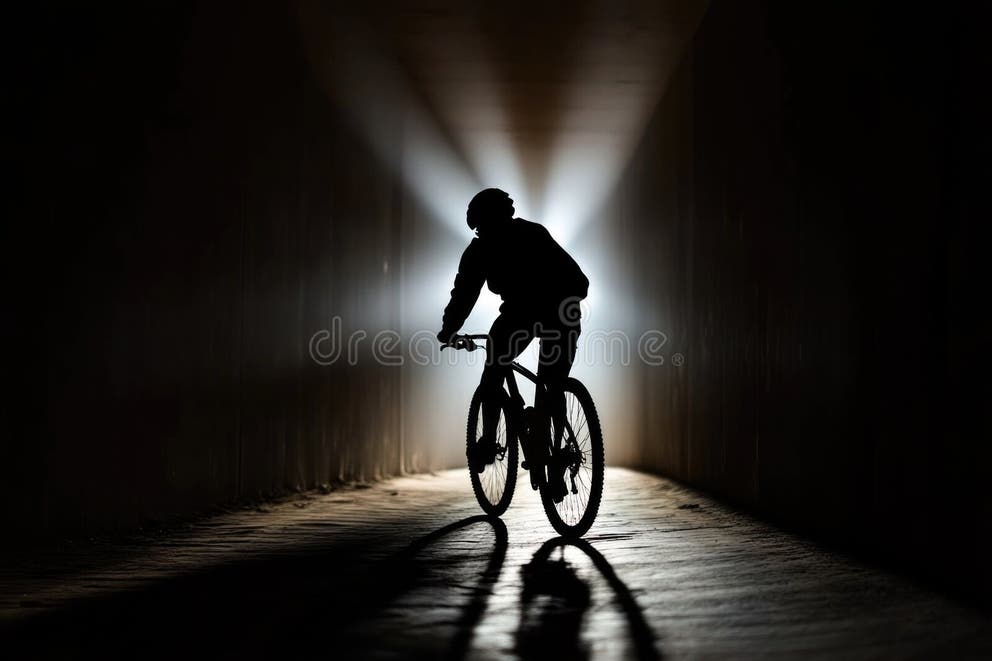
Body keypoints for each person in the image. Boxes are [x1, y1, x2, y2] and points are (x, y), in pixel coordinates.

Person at [437, 188, 589, 502]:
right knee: (552, 383)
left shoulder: (480, 251)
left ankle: (491, 441)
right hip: (563, 312)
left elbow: (464, 294)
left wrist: (449, 330)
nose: (485, 232)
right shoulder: (532, 233)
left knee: (496, 365)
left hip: (526, 313)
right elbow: (580, 281)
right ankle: (553, 463)